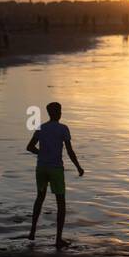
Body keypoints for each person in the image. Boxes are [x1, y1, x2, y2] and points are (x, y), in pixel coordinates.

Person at [26, 102, 84, 248]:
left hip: (41, 168)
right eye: (59, 111)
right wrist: (78, 167)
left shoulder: (41, 128)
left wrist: (41, 153)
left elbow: (29, 147)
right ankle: (58, 238)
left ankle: (32, 232)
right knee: (61, 203)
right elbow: (70, 151)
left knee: (40, 198)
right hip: (55, 169)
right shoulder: (63, 129)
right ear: (58, 113)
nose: (60, 113)